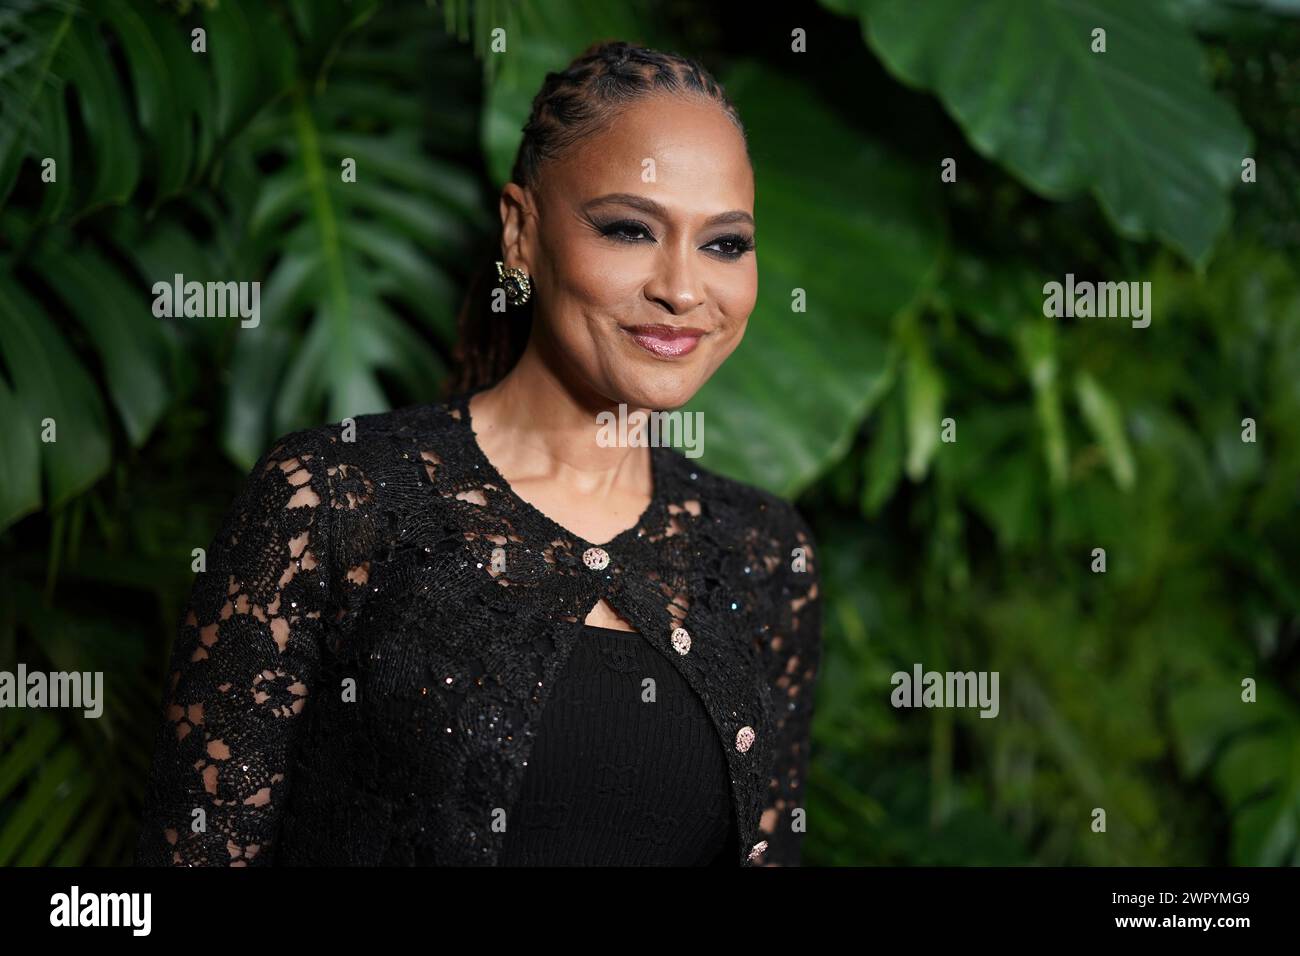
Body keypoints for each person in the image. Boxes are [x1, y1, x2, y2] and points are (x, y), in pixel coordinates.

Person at [134, 39, 821, 867]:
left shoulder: (761, 551)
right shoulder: (335, 502)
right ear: (522, 232)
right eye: (630, 229)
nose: (682, 288)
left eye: (724, 244)